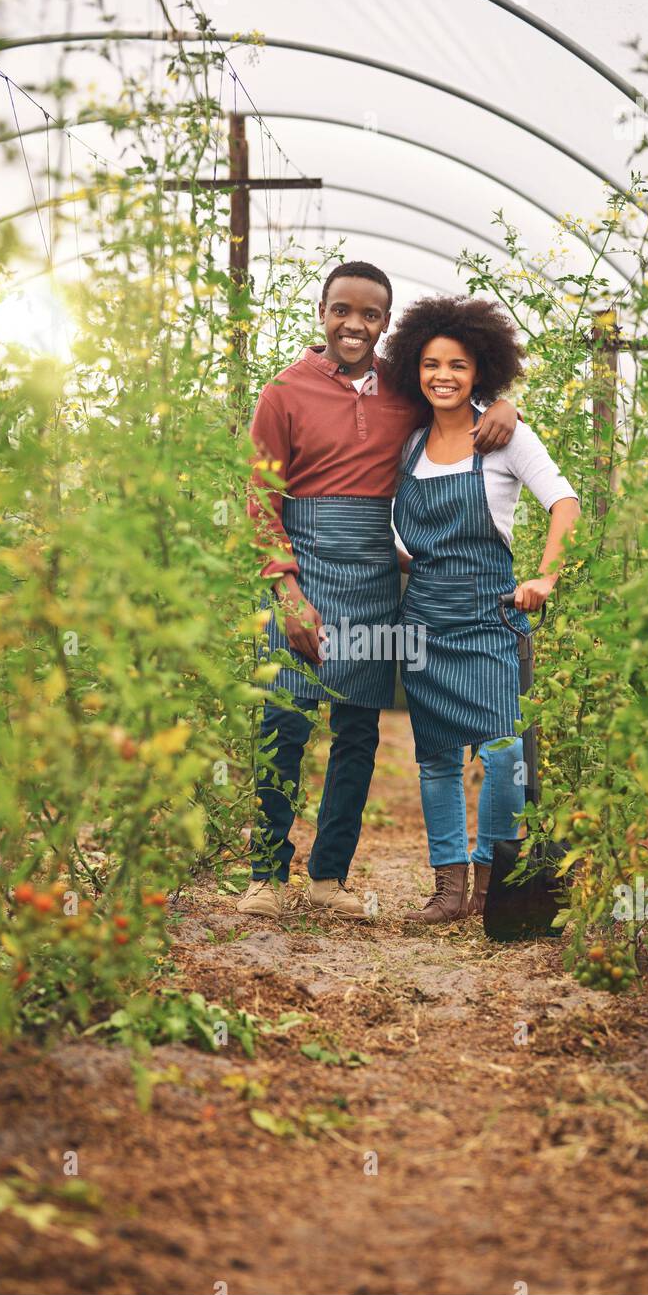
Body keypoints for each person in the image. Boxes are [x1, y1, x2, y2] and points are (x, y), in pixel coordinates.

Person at [238, 264, 520, 919]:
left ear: (386, 323)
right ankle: (264, 876)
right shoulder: (282, 392)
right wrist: (284, 590)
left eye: (369, 315)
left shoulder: (402, 391)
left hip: (371, 578)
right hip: (299, 569)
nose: (354, 325)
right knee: (283, 718)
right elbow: (259, 497)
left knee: (356, 729)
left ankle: (328, 880)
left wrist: (505, 404)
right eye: (342, 310)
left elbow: (463, 402)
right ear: (321, 312)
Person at [385, 295, 580, 923]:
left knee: (504, 753)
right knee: (435, 757)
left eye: (459, 365)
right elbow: (395, 537)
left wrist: (544, 577)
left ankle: (493, 877)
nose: (443, 375)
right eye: (431, 364)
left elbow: (566, 504)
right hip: (424, 620)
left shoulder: (503, 434)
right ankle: (448, 889)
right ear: (415, 370)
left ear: (481, 371)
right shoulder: (408, 447)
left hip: (492, 616)